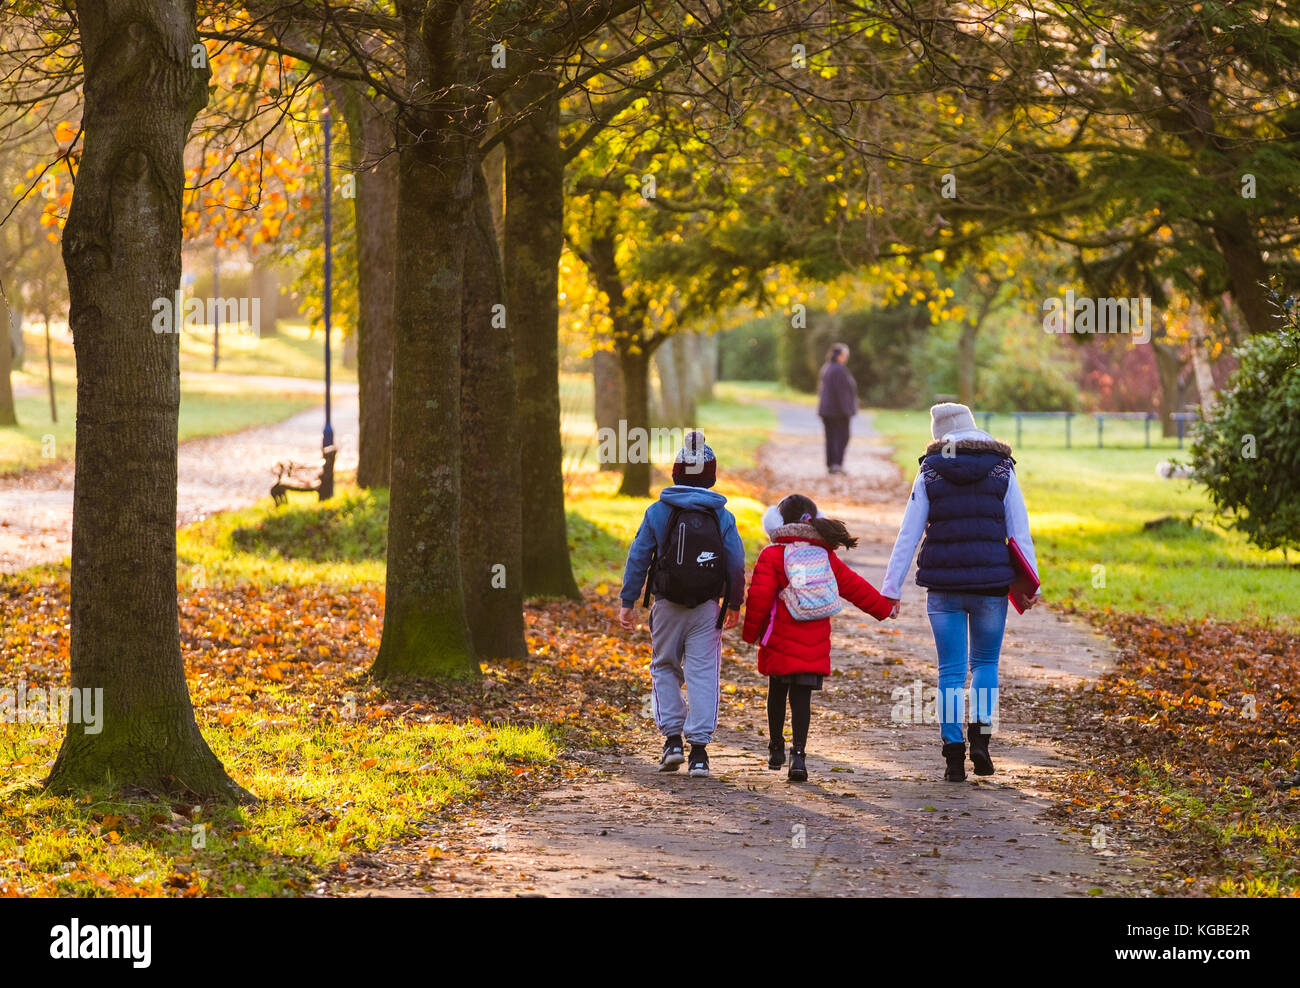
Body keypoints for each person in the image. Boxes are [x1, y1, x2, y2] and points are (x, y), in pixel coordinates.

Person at [881, 402, 1041, 782]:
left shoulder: (930, 472)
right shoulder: (1003, 468)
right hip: (990, 585)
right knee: (984, 664)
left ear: (940, 434)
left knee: (950, 671)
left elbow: (909, 533)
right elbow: (1019, 530)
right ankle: (981, 741)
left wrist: (891, 588)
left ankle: (954, 756)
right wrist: (1032, 581)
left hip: (944, 586)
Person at [619, 431, 745, 779]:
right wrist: (734, 602)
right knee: (703, 673)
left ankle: (672, 741)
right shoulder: (722, 516)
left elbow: (638, 557)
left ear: (675, 474)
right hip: (707, 607)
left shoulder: (658, 511)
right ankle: (700, 753)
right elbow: (735, 561)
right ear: (712, 477)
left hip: (667, 604)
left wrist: (628, 600)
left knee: (664, 667)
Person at [742, 493, 893, 781]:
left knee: (777, 691)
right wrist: (884, 609)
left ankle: (776, 746)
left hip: (779, 639)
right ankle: (798, 757)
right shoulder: (826, 556)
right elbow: (854, 587)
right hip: (814, 642)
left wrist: (750, 635)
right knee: (802, 699)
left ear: (779, 521)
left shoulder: (773, 554)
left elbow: (759, 598)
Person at [817, 343, 859, 474]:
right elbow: (842, 393)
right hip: (838, 412)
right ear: (839, 355)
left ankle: (832, 464)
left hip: (827, 411)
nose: (846, 358)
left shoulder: (827, 368)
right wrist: (848, 411)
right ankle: (836, 464)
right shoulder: (839, 370)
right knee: (841, 437)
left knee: (831, 437)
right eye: (845, 355)